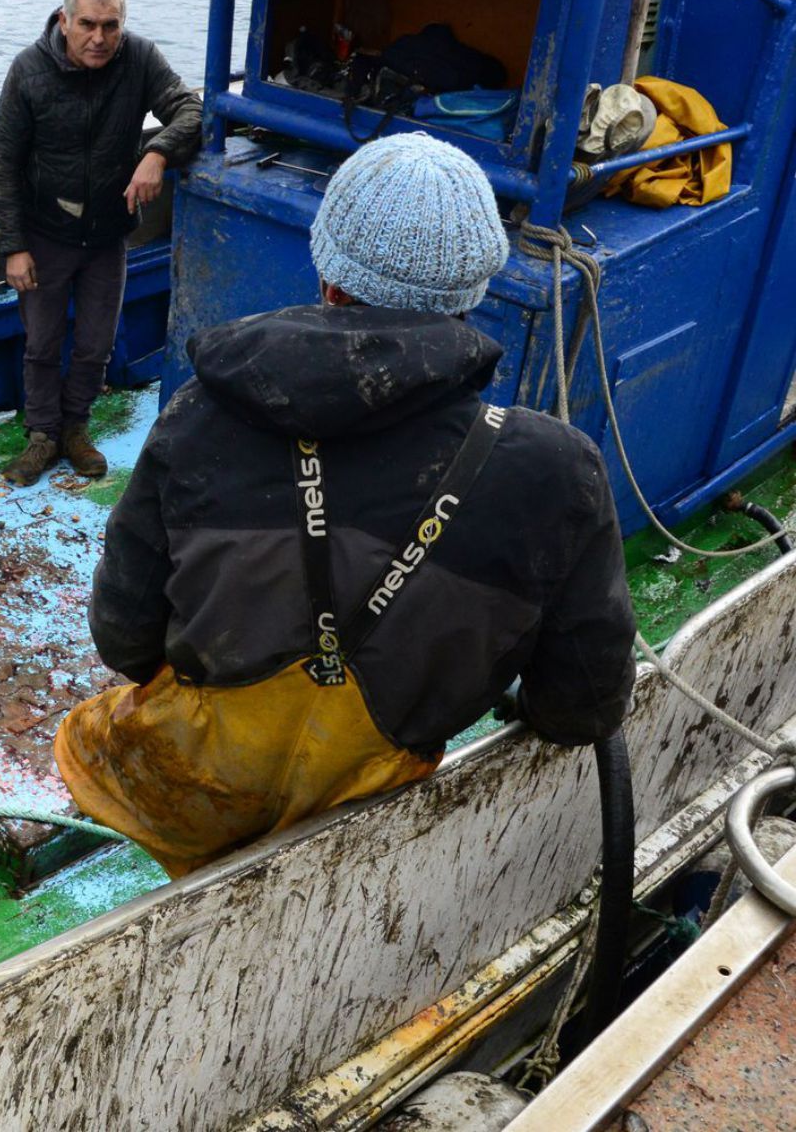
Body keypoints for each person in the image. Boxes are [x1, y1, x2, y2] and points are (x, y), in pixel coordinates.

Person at [54, 133, 637, 877]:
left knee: (84, 737)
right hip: (376, 810)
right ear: (471, 295)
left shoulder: (198, 417)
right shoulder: (559, 469)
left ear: (329, 280)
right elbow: (581, 706)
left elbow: (124, 638)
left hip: (201, 794)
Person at [0, 0, 202, 486]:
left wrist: (157, 153)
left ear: (123, 25)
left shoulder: (139, 59)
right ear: (64, 21)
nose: (99, 38)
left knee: (95, 344)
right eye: (87, 24)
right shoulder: (28, 70)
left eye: (111, 26)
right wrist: (14, 247)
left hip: (107, 236)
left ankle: (75, 429)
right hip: (44, 233)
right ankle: (42, 435)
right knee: (42, 343)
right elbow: (3, 163)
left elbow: (191, 109)